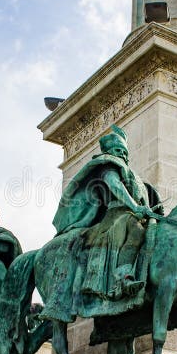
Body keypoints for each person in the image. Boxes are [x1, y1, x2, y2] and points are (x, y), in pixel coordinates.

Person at [52, 125, 161, 302]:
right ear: (109, 151)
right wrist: (135, 207)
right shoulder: (107, 166)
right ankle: (123, 279)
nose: (123, 155)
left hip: (134, 215)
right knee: (136, 230)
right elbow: (115, 185)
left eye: (125, 152)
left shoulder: (133, 176)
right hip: (116, 215)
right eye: (118, 150)